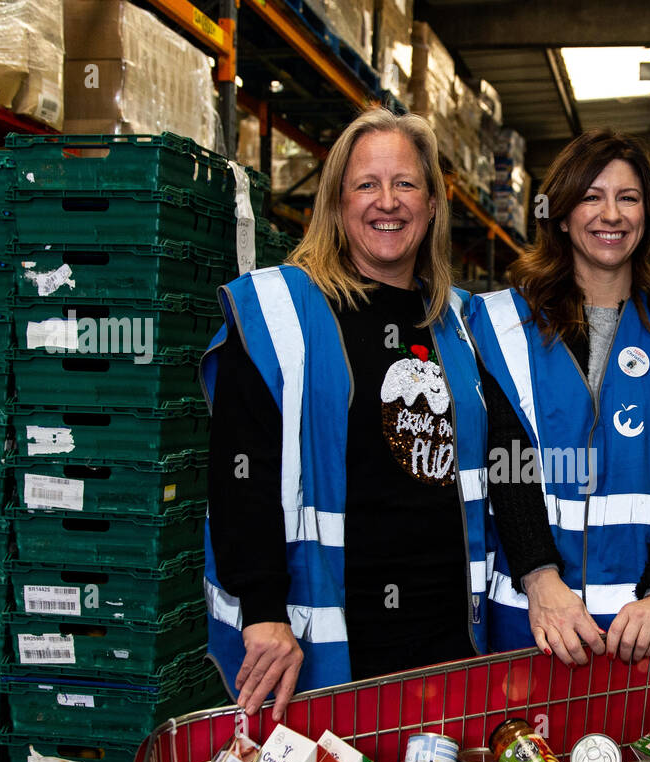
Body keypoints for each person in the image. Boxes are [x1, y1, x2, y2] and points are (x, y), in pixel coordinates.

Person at [202, 107, 491, 720]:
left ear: (434, 204)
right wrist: (262, 610)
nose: (387, 202)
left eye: (406, 183)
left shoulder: (461, 322)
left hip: (448, 630)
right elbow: (238, 474)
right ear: (336, 205)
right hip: (326, 636)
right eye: (366, 185)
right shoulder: (280, 310)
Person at [467, 130, 650, 666]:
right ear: (560, 214)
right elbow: (507, 462)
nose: (612, 215)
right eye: (591, 196)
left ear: (647, 216)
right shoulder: (500, 325)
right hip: (530, 611)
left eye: (628, 198)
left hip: (642, 624)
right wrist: (539, 578)